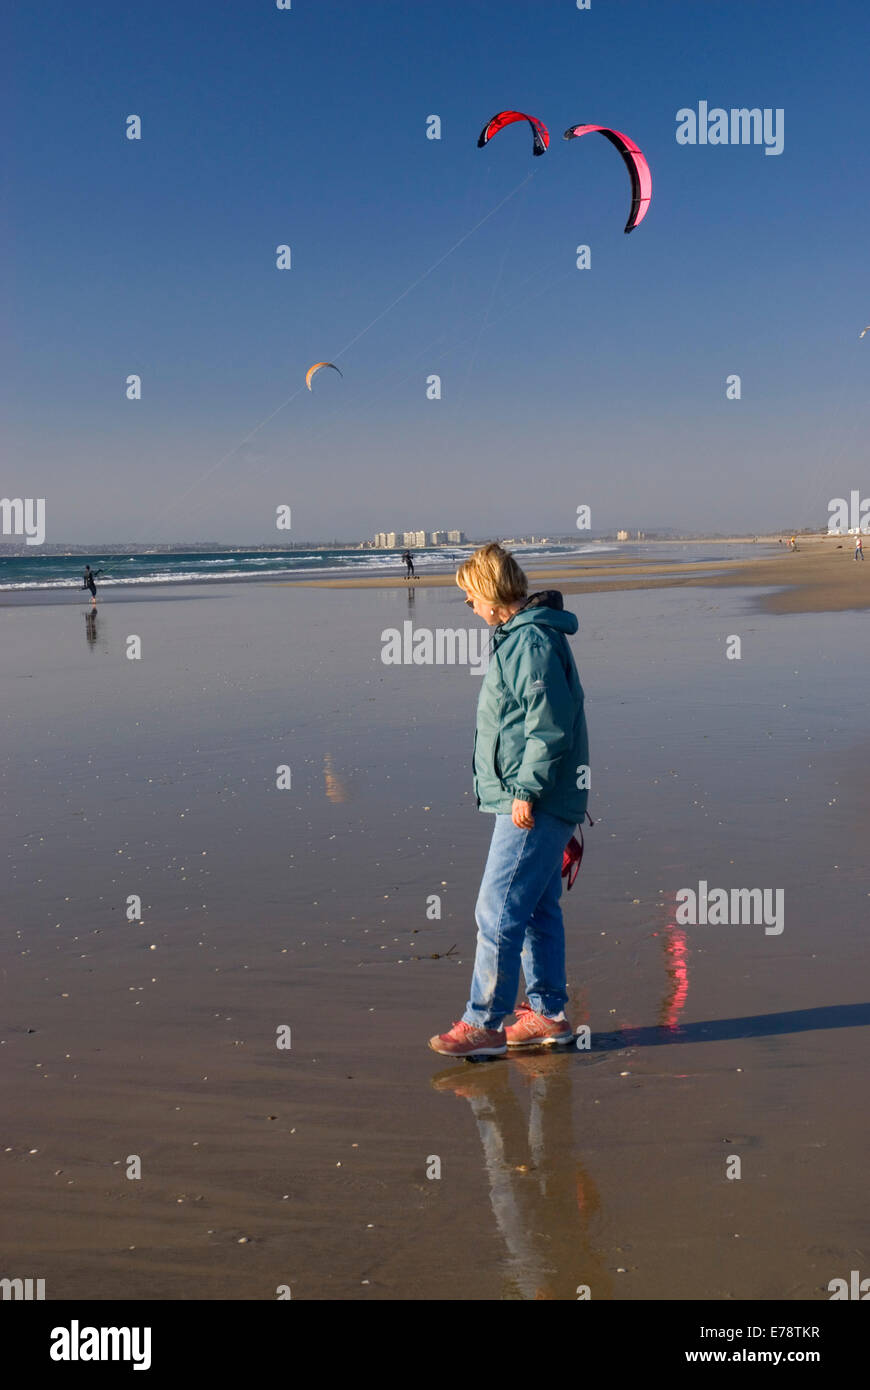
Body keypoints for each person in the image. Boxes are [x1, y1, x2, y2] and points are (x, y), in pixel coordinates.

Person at [429, 543, 589, 1059]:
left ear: (492, 594)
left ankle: (486, 1022)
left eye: (470, 596)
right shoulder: (520, 638)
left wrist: (525, 790)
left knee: (496, 908)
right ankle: (548, 1015)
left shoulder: (532, 642)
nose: (470, 606)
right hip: (539, 796)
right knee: (537, 908)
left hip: (535, 799)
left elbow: (549, 726)